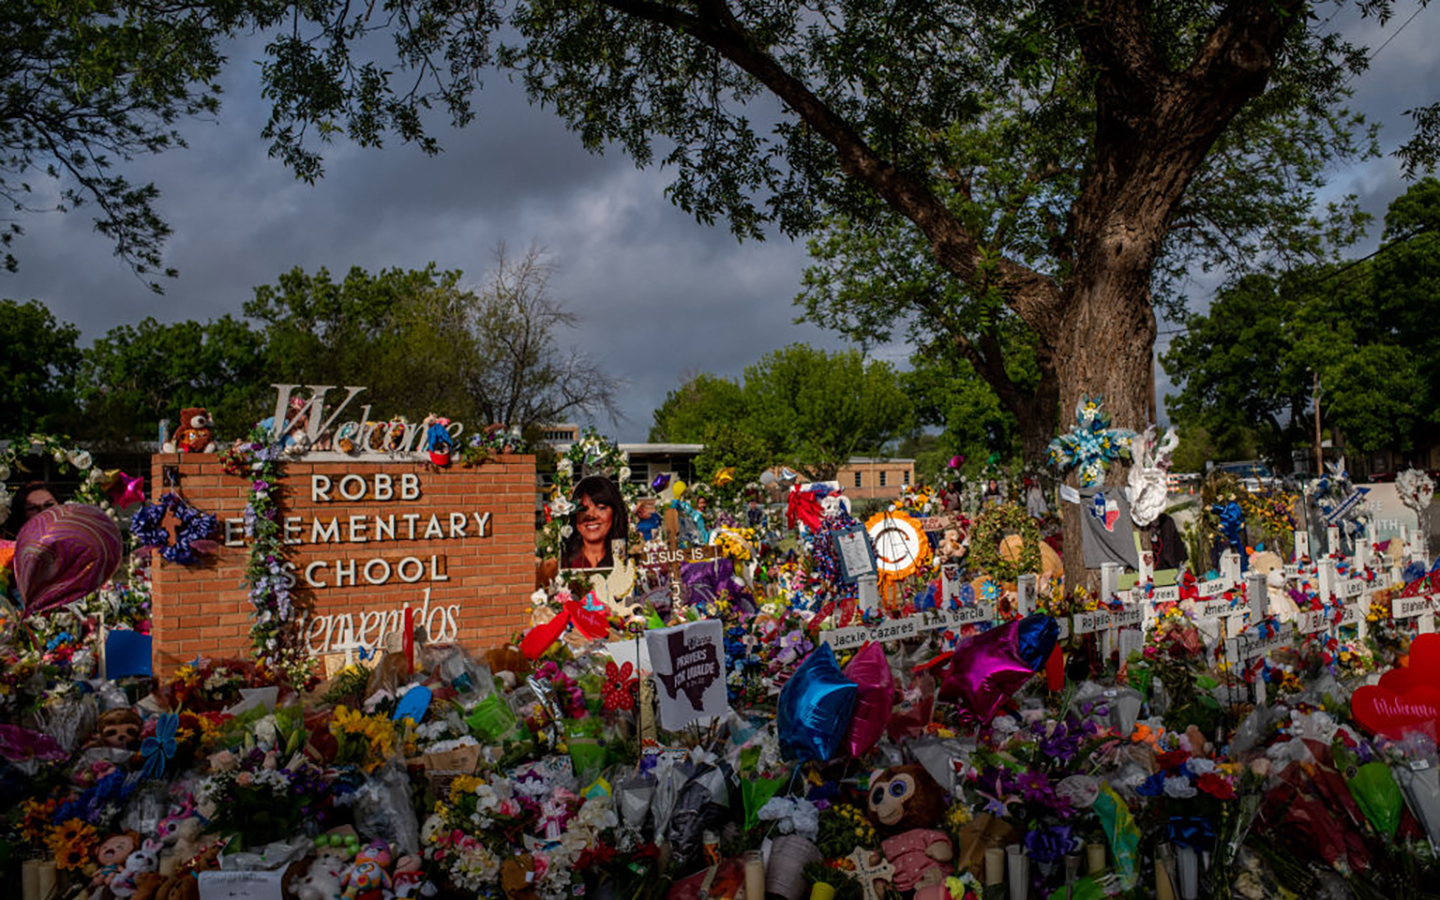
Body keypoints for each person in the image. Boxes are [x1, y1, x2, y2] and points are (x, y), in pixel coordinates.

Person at [563, 475, 630, 569]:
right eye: (583, 509)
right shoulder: (562, 563)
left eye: (601, 507)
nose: (591, 516)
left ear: (615, 513)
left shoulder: (632, 560)